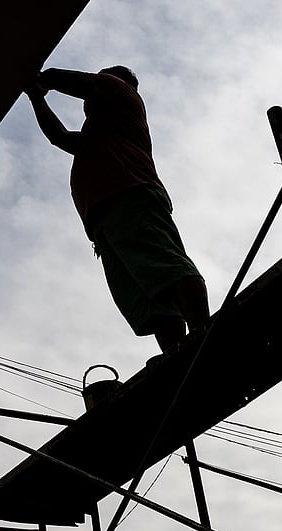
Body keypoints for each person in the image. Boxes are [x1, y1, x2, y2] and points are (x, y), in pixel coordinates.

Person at [25, 65, 209, 353]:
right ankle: (176, 354)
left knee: (166, 266)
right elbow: (58, 136)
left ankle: (203, 331)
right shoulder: (100, 131)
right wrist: (36, 98)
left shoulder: (120, 89)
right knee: (150, 295)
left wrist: (40, 79)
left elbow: (79, 83)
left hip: (129, 196)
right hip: (106, 217)